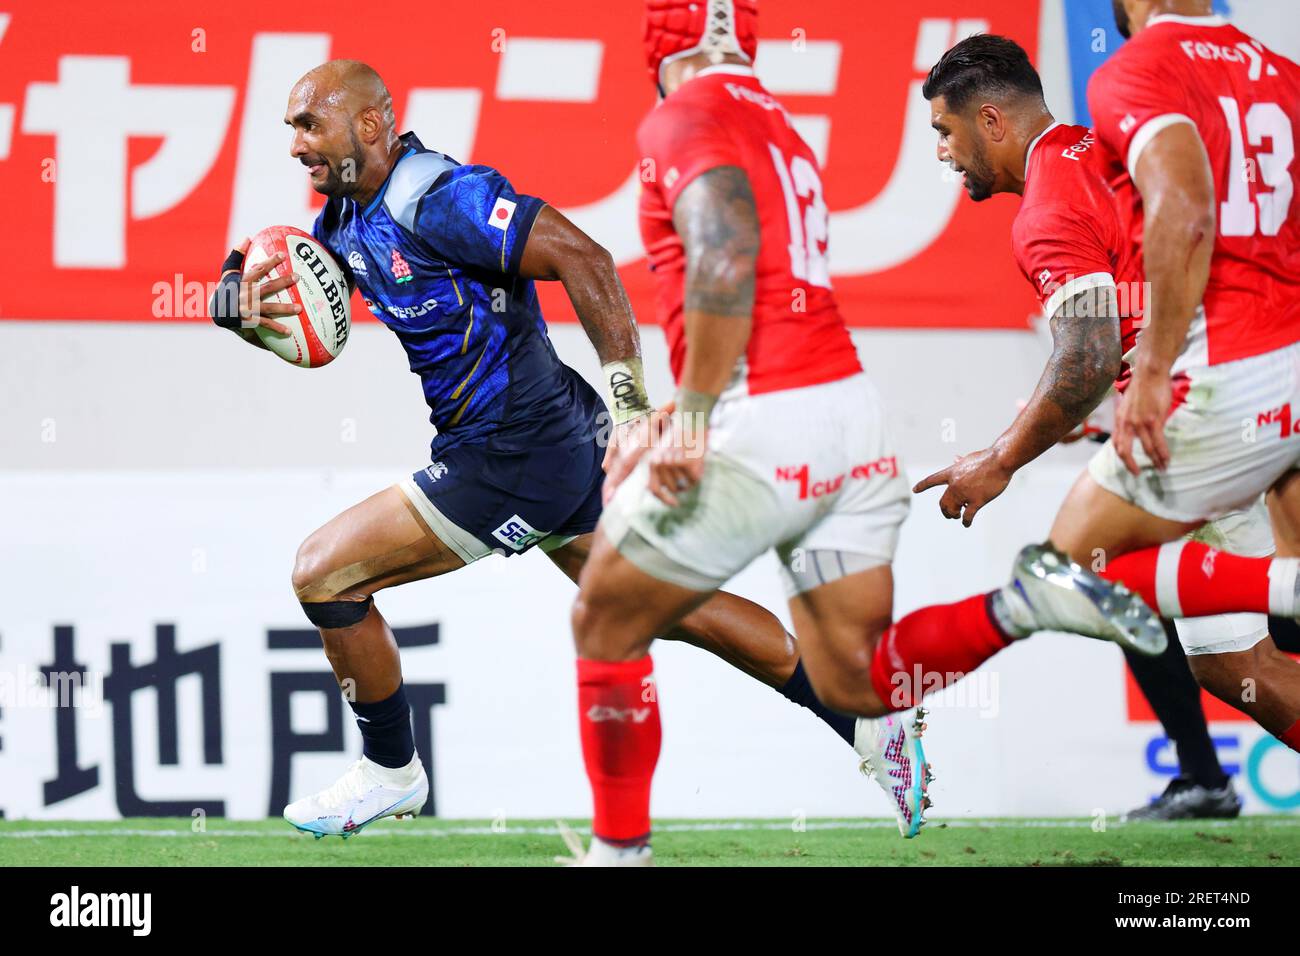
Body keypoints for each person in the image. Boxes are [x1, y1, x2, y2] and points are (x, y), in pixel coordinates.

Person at [207, 58, 940, 840]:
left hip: (515, 452)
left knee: (323, 572)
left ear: (371, 125)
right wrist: (232, 295)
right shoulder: (346, 217)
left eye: (308, 125)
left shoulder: (441, 197)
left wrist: (633, 410)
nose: (294, 146)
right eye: (290, 127)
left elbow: (583, 257)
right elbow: (292, 278)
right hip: (545, 434)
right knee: (674, 606)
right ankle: (866, 716)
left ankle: (391, 772)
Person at [561, 0, 1162, 867]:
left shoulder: (682, 114)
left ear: (662, 43)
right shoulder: (781, 125)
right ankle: (1021, 606)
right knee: (853, 679)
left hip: (765, 420)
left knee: (604, 620)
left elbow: (726, 258)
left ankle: (620, 854)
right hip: (851, 420)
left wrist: (690, 417)